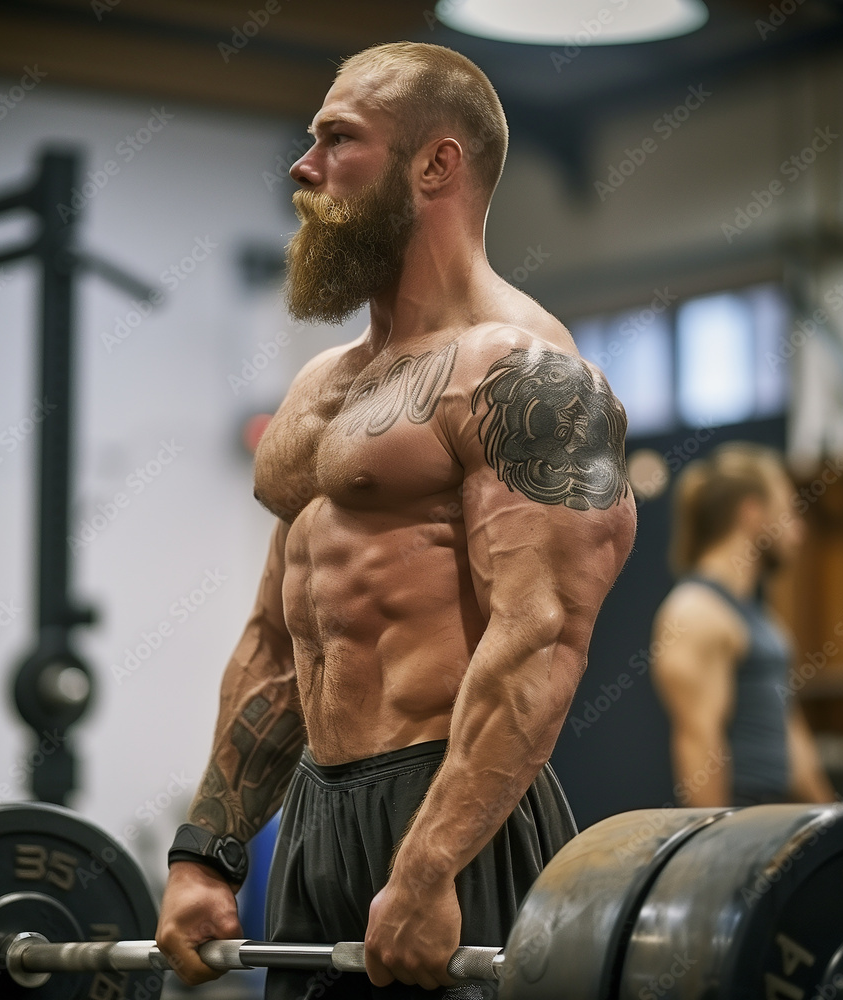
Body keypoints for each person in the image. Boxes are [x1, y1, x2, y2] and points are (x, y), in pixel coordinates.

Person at [156, 41, 636, 998]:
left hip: (452, 814)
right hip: (318, 814)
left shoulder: (519, 371)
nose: (305, 167)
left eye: (339, 139)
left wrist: (429, 866)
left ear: (435, 164)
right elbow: (277, 638)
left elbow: (539, 636)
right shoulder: (319, 388)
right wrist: (206, 852)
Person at [651, 441, 836, 808]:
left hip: (778, 820)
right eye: (789, 513)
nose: (799, 531)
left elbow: (789, 736)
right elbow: (699, 741)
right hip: (745, 822)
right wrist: (721, 842)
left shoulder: (759, 618)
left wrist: (834, 823)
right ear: (752, 513)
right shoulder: (695, 612)